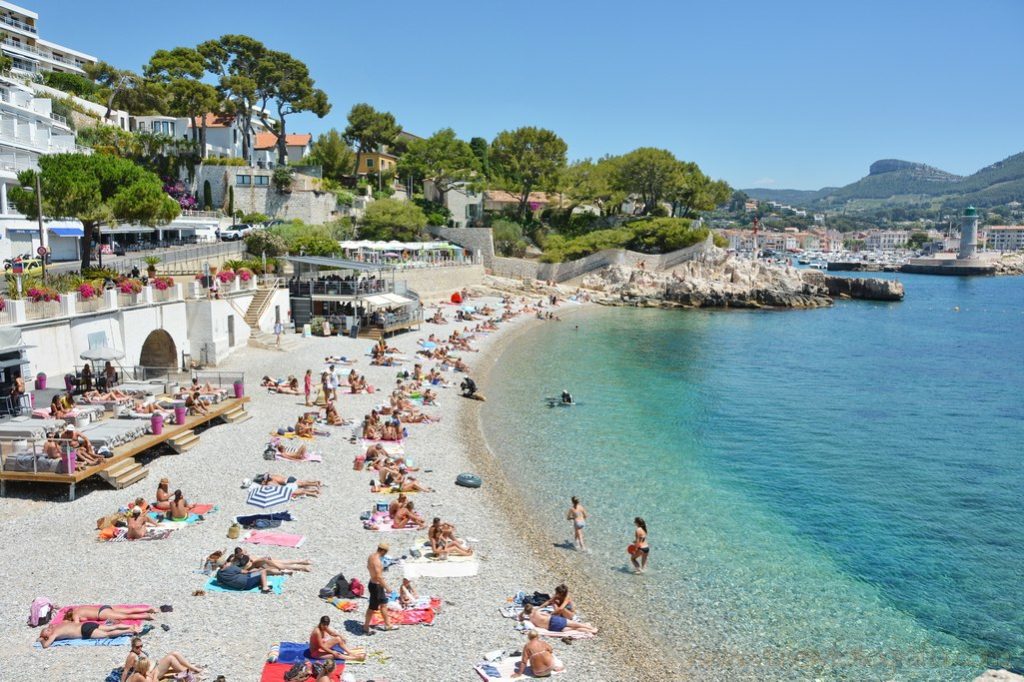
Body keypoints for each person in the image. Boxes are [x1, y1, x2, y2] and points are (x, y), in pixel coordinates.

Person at [121, 637, 202, 682]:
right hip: (151, 672)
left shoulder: (140, 652)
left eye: (141, 646)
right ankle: (188, 674)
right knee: (170, 658)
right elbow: (126, 671)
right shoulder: (132, 655)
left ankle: (192, 668)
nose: (140, 648)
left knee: (174, 653)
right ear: (132, 647)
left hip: (154, 666)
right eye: (137, 647)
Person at [363, 543, 395, 634]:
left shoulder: (371, 556)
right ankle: (365, 626)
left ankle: (388, 624)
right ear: (383, 551)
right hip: (376, 586)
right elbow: (379, 577)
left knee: (383, 604)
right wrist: (387, 588)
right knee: (372, 607)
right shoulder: (377, 561)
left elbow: (369, 567)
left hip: (373, 583)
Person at [37, 620, 140, 648]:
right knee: (110, 627)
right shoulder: (57, 626)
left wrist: (42, 640)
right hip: (86, 624)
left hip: (84, 631)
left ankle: (130, 630)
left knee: (107, 635)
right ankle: (130, 626)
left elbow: (46, 645)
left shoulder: (54, 633)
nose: (47, 630)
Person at [518, 603, 598, 635]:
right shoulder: (536, 611)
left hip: (552, 628)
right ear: (532, 608)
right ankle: (592, 629)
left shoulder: (531, 620)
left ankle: (590, 631)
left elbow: (521, 617)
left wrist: (522, 613)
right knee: (576, 624)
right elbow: (547, 614)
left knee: (574, 629)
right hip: (554, 620)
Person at [67, 605, 157, 623]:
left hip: (102, 614)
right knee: (129, 610)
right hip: (104, 607)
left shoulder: (75, 614)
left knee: (126, 617)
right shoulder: (79, 608)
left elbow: (76, 625)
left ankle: (146, 616)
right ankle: (148, 609)